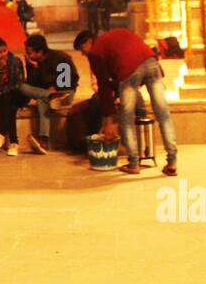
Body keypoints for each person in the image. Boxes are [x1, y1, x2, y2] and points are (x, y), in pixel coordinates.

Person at [75, 28, 178, 176]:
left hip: (129, 71)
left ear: (89, 42)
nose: (83, 53)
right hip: (152, 63)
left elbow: (103, 87)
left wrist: (108, 122)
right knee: (163, 114)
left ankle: (134, 163)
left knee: (126, 118)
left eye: (82, 48)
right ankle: (172, 162)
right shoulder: (118, 33)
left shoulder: (95, 52)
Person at [20, 33, 78, 153]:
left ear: (40, 51)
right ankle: (44, 140)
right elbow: (31, 84)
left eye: (30, 52)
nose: (27, 55)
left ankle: (44, 139)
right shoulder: (37, 62)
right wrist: (31, 67)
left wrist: (55, 88)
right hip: (48, 94)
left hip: (64, 94)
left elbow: (69, 80)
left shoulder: (60, 58)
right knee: (22, 87)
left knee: (42, 100)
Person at [0, 36, 25, 156]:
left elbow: (19, 83)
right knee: (9, 103)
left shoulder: (16, 62)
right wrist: (0, 69)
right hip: (1, 98)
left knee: (9, 99)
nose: (2, 55)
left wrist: (2, 91)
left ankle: (1, 134)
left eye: (4, 51)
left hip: (15, 95)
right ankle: (14, 143)